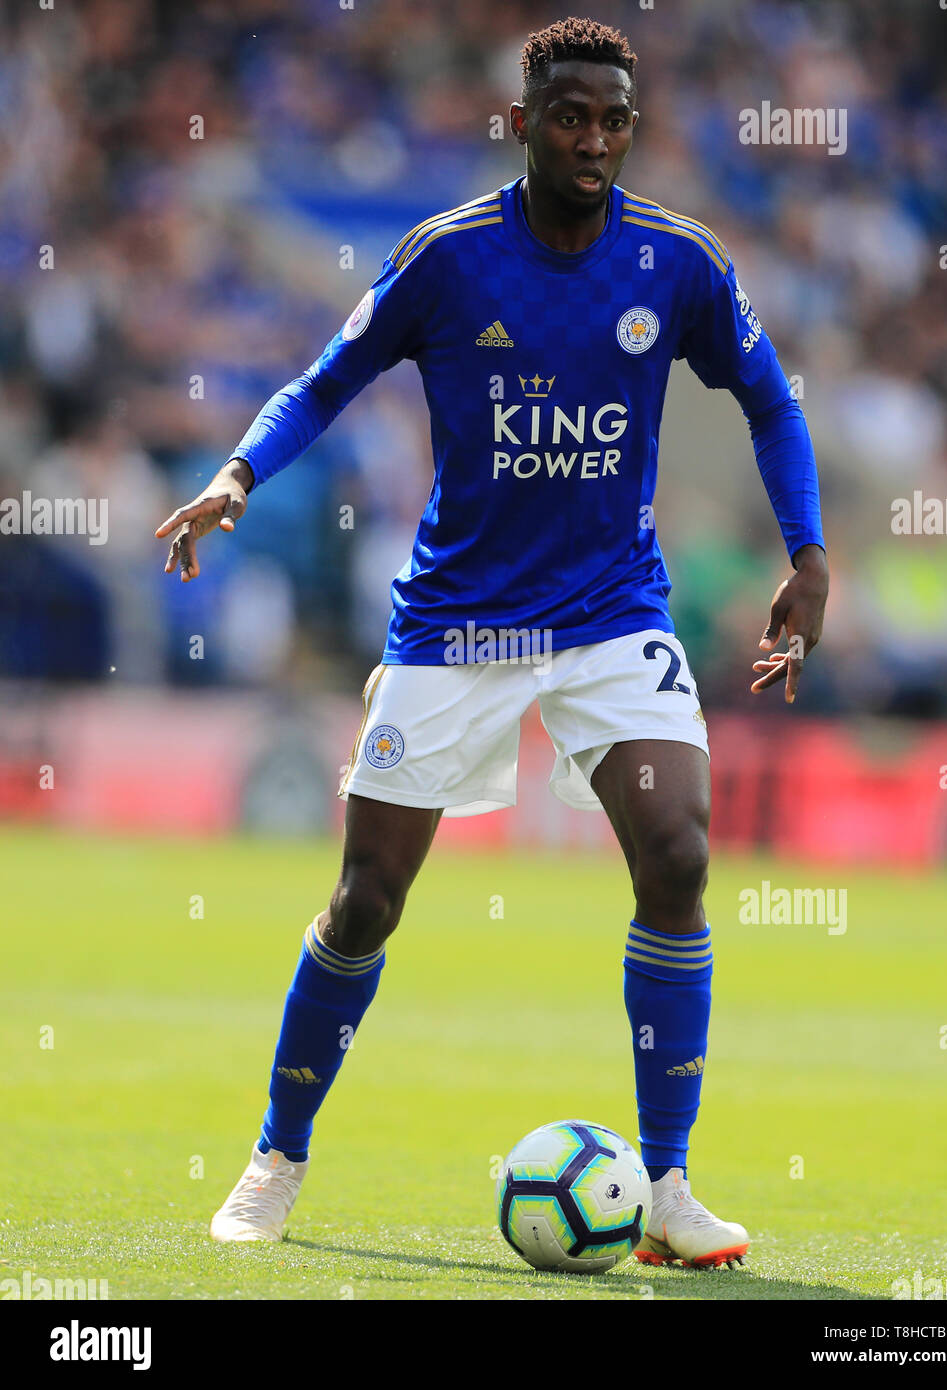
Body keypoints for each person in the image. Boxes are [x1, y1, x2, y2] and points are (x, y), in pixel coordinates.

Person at [156, 16, 828, 1269]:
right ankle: (278, 1152)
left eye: (614, 120)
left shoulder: (676, 262)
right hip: (459, 621)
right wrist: (239, 475)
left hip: (614, 611)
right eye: (569, 116)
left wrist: (808, 552)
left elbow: (770, 397)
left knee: (677, 852)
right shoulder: (449, 259)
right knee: (366, 901)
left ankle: (670, 1184)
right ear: (522, 121)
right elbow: (324, 378)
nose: (592, 139)